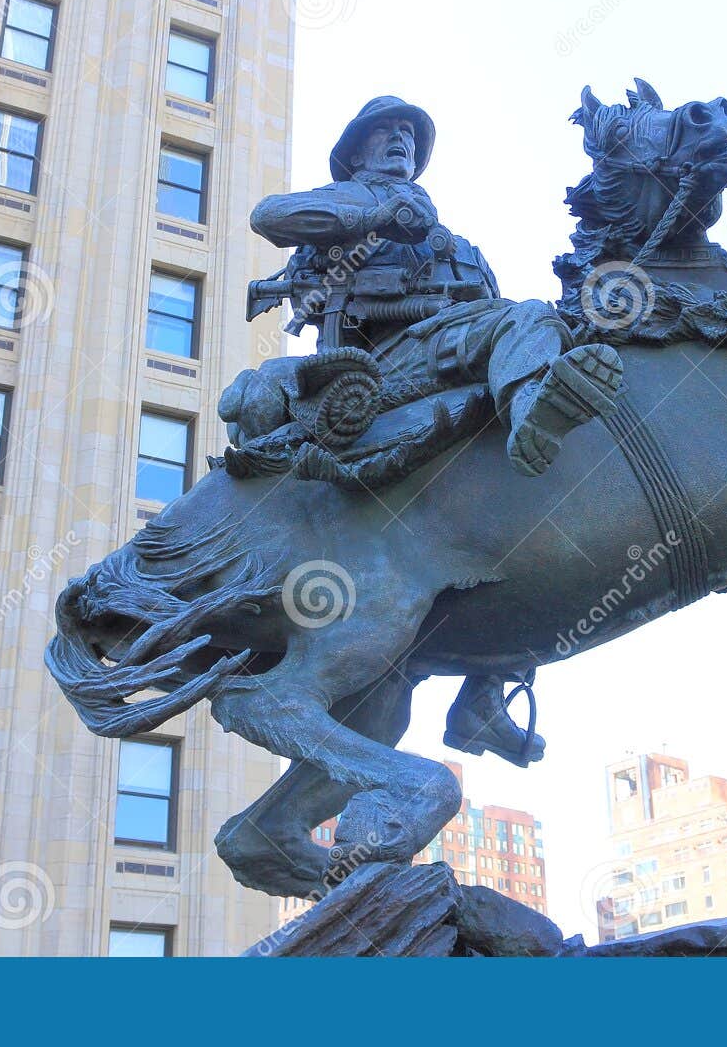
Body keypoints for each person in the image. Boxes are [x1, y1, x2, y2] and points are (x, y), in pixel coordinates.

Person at [249, 96, 617, 763]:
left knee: (519, 504)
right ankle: (534, 407)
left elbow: (487, 310)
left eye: (408, 136)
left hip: (459, 367)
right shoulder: (344, 204)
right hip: (381, 367)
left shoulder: (457, 244)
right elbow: (268, 216)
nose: (399, 143)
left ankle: (483, 695)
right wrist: (377, 211)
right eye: (384, 134)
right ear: (357, 150)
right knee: (526, 323)